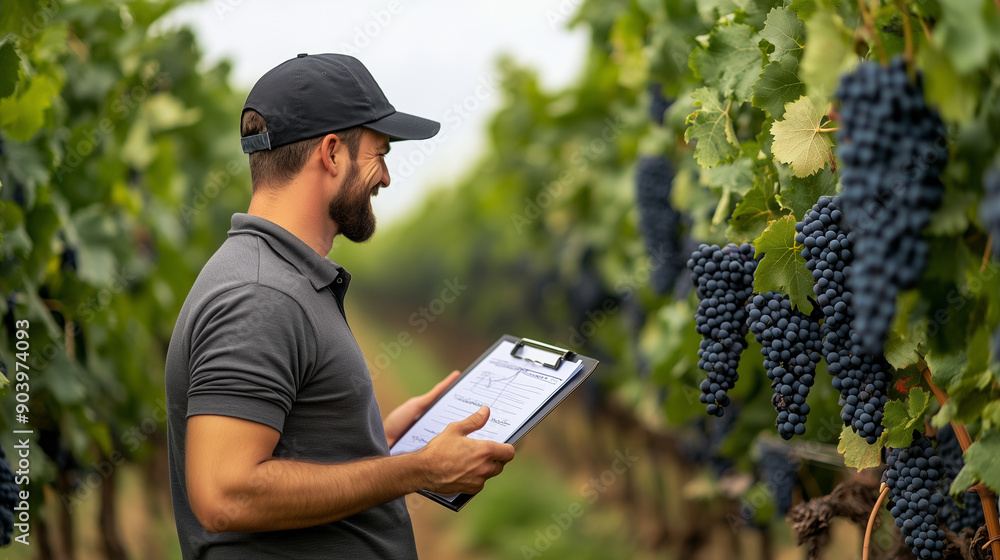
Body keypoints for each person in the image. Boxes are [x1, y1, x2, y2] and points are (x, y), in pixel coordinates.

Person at [164, 53, 516, 559]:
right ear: (332, 153)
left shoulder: (280, 276)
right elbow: (227, 494)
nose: (387, 177)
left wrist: (381, 437)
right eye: (380, 153)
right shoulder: (260, 295)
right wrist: (421, 469)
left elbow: (288, 448)